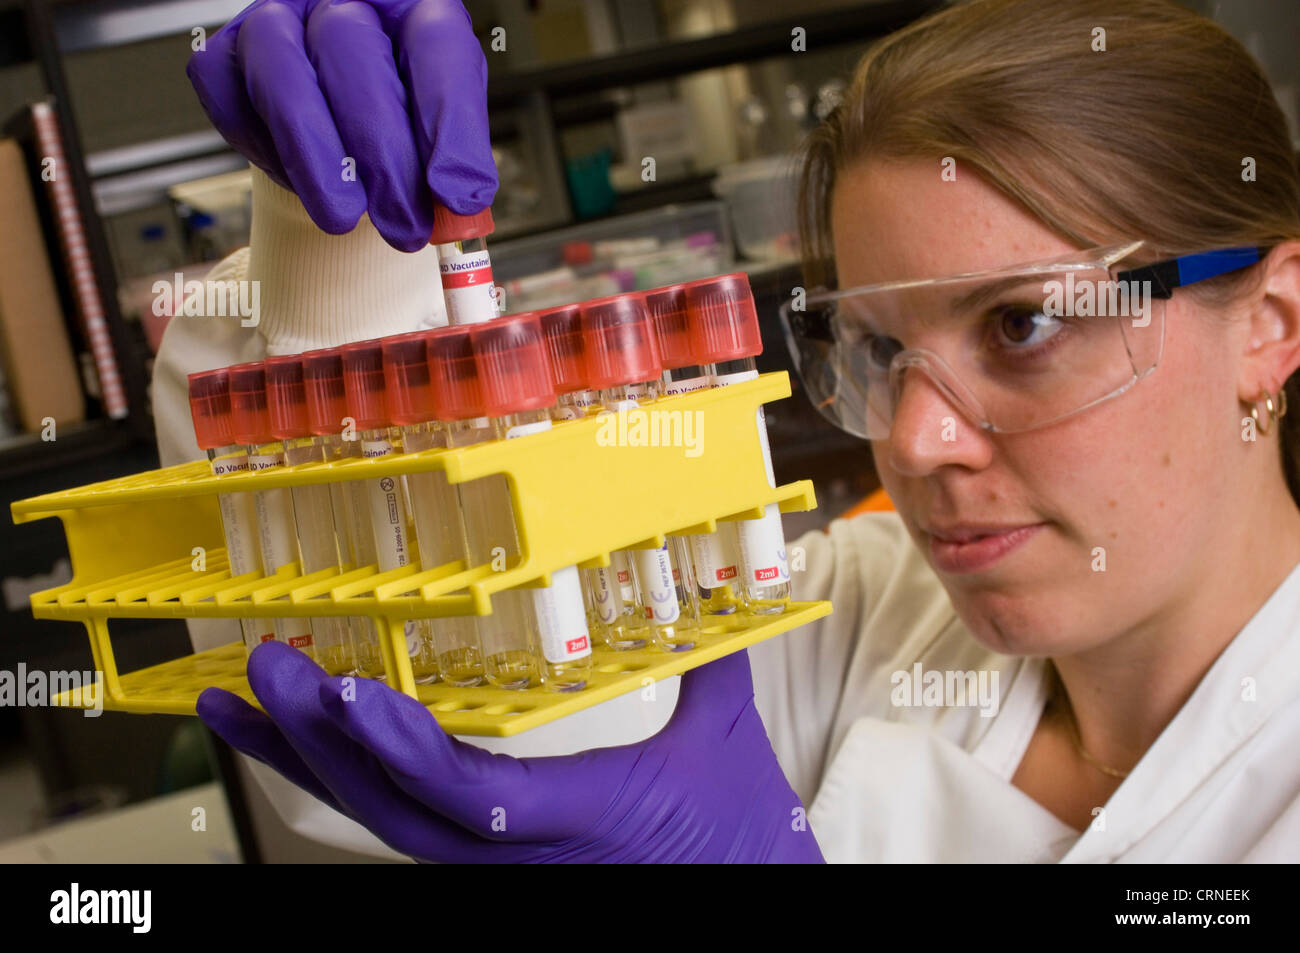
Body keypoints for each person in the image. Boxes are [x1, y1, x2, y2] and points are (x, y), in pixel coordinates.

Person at [158, 0, 1300, 862]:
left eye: (1024, 323)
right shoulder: (855, 612)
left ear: (1271, 322)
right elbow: (423, 716)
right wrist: (340, 250)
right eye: (878, 351)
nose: (912, 440)